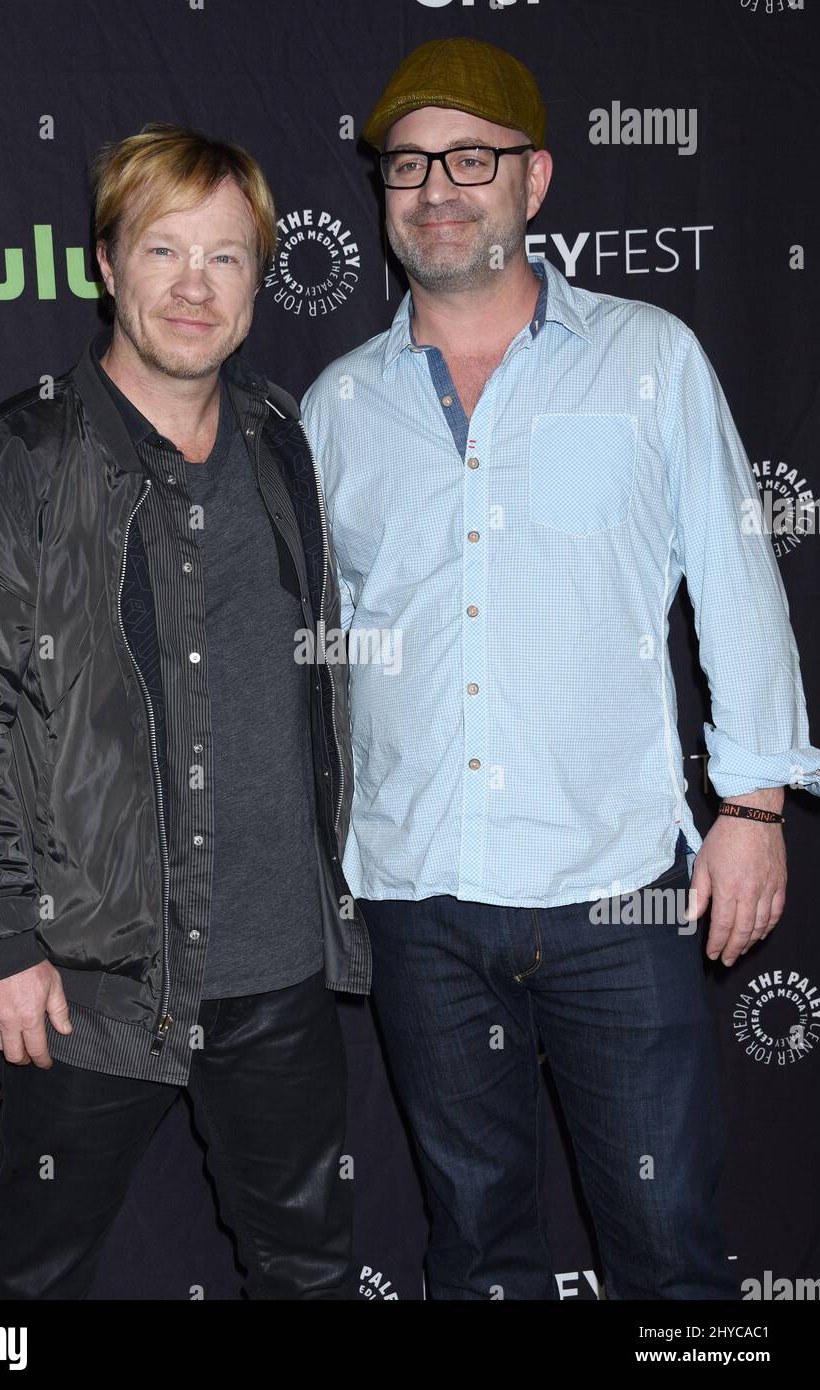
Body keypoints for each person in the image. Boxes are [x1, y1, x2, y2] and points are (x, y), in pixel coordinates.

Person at [299, 37, 820, 1300]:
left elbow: (734, 580)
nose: (435, 188)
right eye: (407, 163)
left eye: (468, 157)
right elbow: (316, 651)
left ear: (533, 179)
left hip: (616, 893)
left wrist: (751, 806)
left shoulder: (648, 358)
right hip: (420, 895)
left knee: (667, 1256)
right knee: (476, 1250)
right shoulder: (335, 407)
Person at [0, 122, 370, 1300]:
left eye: (226, 257)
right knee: (26, 1282)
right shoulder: (3, 464)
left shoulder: (277, 438)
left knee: (308, 1273)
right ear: (105, 264)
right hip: (91, 975)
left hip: (278, 968)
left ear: (261, 278)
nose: (194, 288)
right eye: (163, 251)